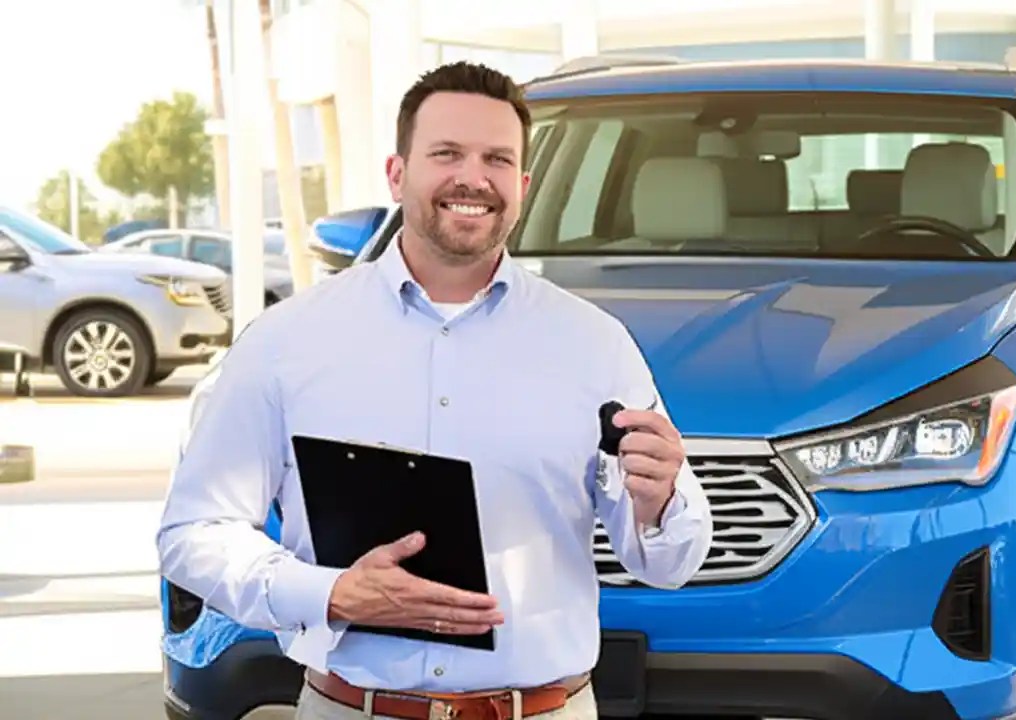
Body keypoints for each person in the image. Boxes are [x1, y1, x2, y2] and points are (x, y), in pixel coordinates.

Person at [157, 61, 714, 720]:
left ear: (523, 184)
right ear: (398, 173)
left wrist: (660, 503)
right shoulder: (287, 341)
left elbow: (667, 563)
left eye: (496, 159)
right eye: (446, 153)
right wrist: (327, 593)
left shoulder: (595, 345)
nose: (472, 178)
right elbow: (194, 531)